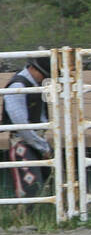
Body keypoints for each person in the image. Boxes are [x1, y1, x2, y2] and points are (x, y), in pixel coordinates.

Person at [2, 55, 51, 199]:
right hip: (23, 143)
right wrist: (43, 146)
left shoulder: (35, 85)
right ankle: (24, 218)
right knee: (30, 186)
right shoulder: (18, 86)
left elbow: (41, 114)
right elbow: (21, 125)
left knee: (40, 181)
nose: (44, 79)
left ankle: (28, 218)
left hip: (34, 140)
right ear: (33, 69)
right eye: (44, 74)